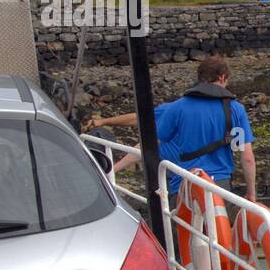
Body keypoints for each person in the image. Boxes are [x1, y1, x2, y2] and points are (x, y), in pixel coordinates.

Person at [88, 55, 256, 206]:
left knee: (184, 232)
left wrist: (113, 170)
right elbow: (246, 157)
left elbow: (148, 144)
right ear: (222, 77)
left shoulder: (176, 108)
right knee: (218, 237)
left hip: (182, 185)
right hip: (219, 185)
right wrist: (251, 193)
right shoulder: (235, 110)